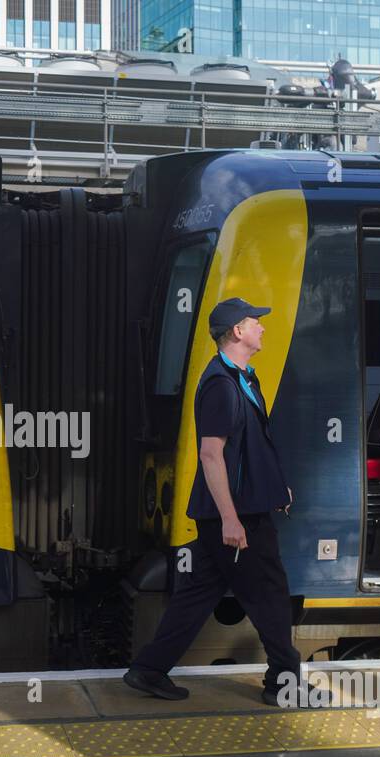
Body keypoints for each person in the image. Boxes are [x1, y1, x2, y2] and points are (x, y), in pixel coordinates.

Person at [123, 297, 310, 707]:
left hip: (239, 510)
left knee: (197, 595)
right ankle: (284, 682)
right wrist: (230, 518)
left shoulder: (243, 379)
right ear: (237, 332)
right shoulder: (220, 386)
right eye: (254, 322)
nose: (262, 327)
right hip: (235, 518)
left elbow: (249, 448)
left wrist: (275, 487)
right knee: (271, 595)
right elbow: (211, 453)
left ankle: (149, 670)